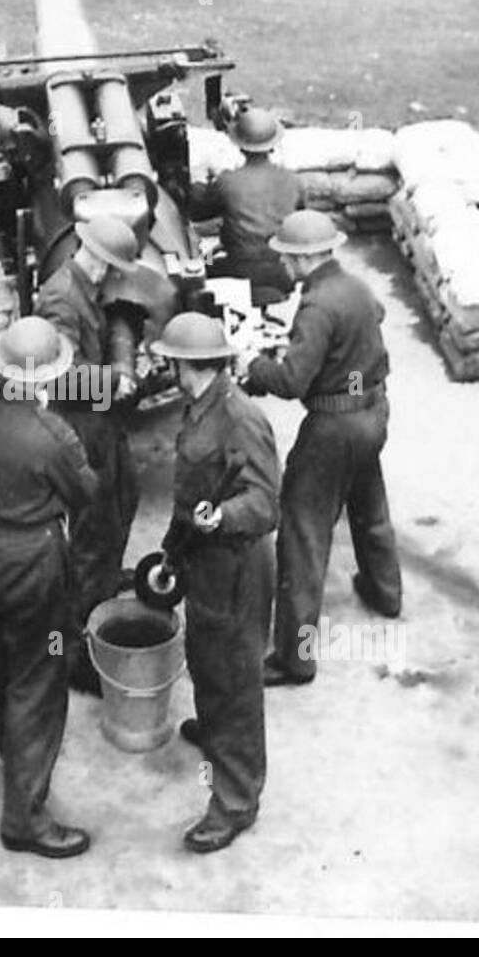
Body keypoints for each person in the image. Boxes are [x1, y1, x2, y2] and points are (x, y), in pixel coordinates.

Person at [0, 317, 99, 858]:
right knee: (38, 675)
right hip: (34, 556)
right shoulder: (51, 434)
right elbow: (85, 490)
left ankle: (15, 756)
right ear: (43, 378)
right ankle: (25, 818)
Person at [244, 210, 402, 687]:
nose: (285, 266)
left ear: (306, 256)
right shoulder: (355, 286)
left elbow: (292, 382)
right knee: (369, 506)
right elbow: (376, 315)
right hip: (373, 413)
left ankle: (295, 657)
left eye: (289, 258)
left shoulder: (316, 307)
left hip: (333, 428)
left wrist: (253, 364)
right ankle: (385, 591)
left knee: (303, 535)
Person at [151, 312, 281, 854]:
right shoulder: (201, 406)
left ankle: (235, 799)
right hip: (205, 560)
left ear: (185, 364)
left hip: (237, 565)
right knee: (207, 656)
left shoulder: (237, 416)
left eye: (169, 361)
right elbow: (193, 487)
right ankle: (214, 729)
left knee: (236, 677)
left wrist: (221, 519)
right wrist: (173, 549)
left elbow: (266, 501)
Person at [34, 216, 143, 689]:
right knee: (92, 530)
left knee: (125, 497)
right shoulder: (60, 297)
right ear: (93, 256)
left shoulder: (85, 286)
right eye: (111, 266)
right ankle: (75, 651)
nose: (114, 275)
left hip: (100, 418)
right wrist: (114, 381)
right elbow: (57, 376)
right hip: (80, 421)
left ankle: (103, 581)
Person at [190, 106, 303, 306]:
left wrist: (198, 181)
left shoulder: (228, 182)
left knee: (202, 264)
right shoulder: (293, 181)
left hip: (239, 270)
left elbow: (197, 212)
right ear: (273, 145)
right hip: (283, 272)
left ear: (240, 145)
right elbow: (302, 221)